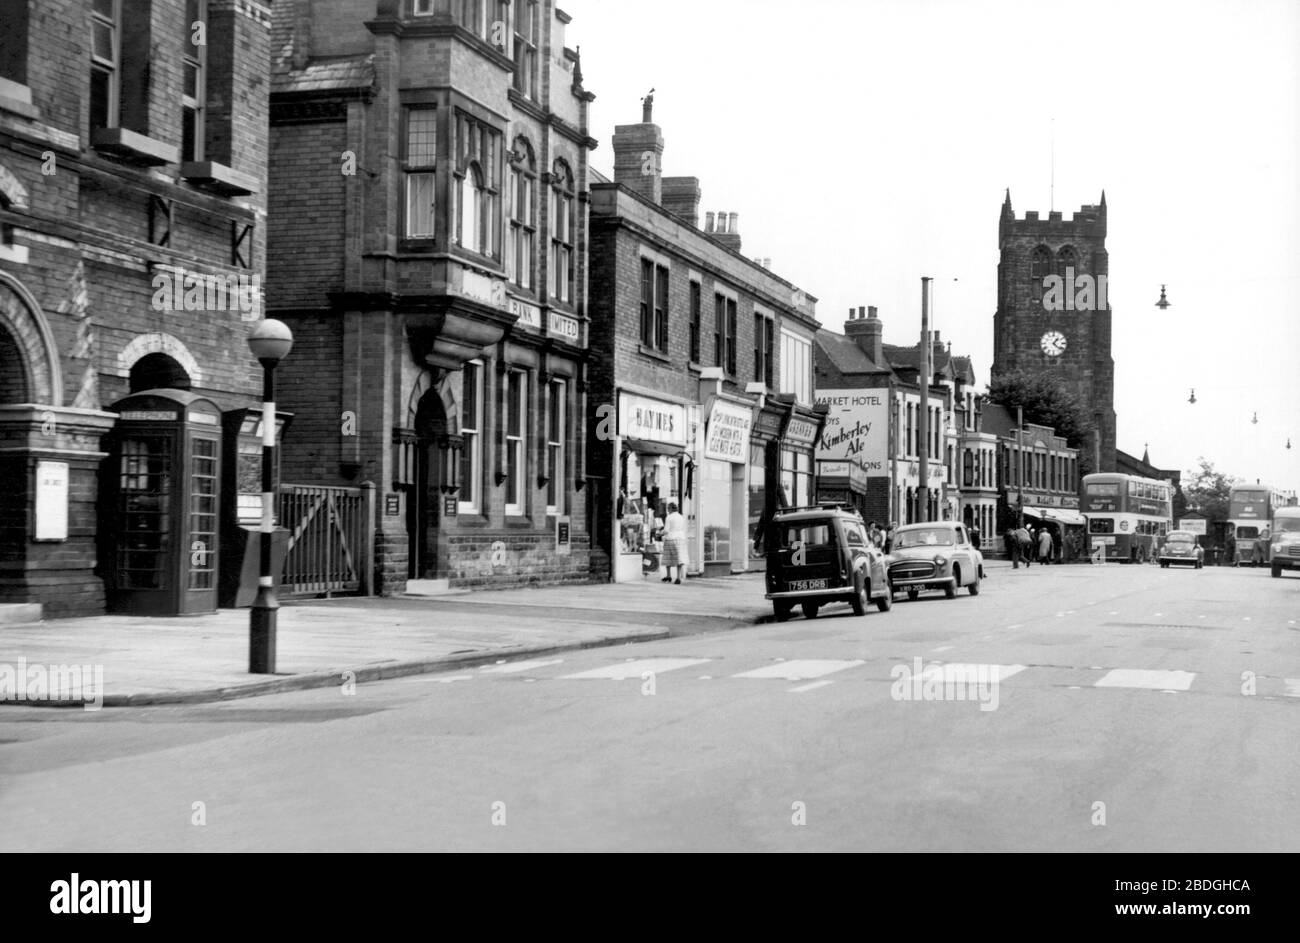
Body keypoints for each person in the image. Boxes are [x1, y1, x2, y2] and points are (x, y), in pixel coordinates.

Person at [661, 502, 689, 585]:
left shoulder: (669, 517)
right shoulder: (681, 517)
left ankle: (669, 575)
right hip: (680, 539)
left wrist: (659, 533)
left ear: (670, 509)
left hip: (671, 538)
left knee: (668, 558)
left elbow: (666, 530)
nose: (667, 510)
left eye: (668, 509)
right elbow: (683, 528)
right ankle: (678, 577)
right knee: (679, 558)